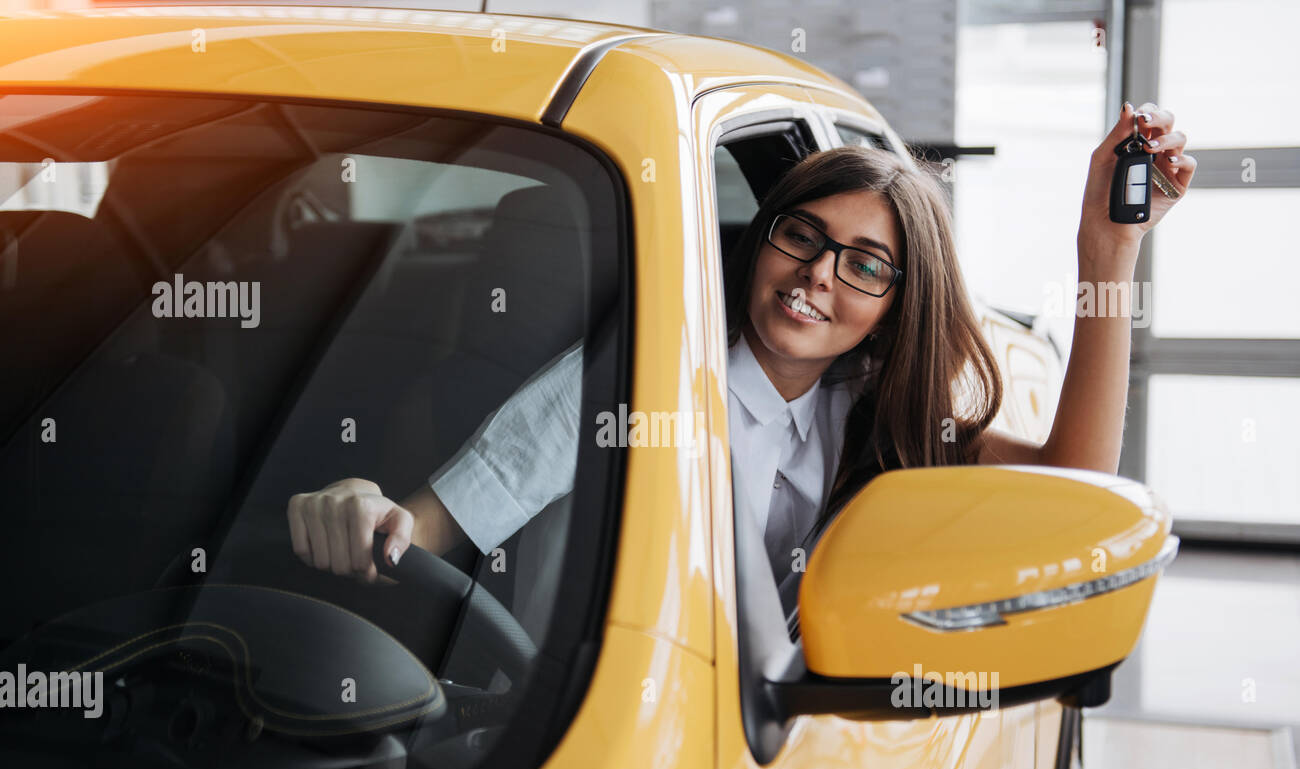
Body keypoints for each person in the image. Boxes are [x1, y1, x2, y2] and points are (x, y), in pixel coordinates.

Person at [288, 102, 1193, 602]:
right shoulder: (627, 383)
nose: (817, 276)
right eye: (801, 235)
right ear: (760, 239)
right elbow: (414, 532)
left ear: (897, 304)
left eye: (866, 264)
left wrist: (1106, 250)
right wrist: (360, 510)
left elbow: (1079, 488)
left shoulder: (884, 411)